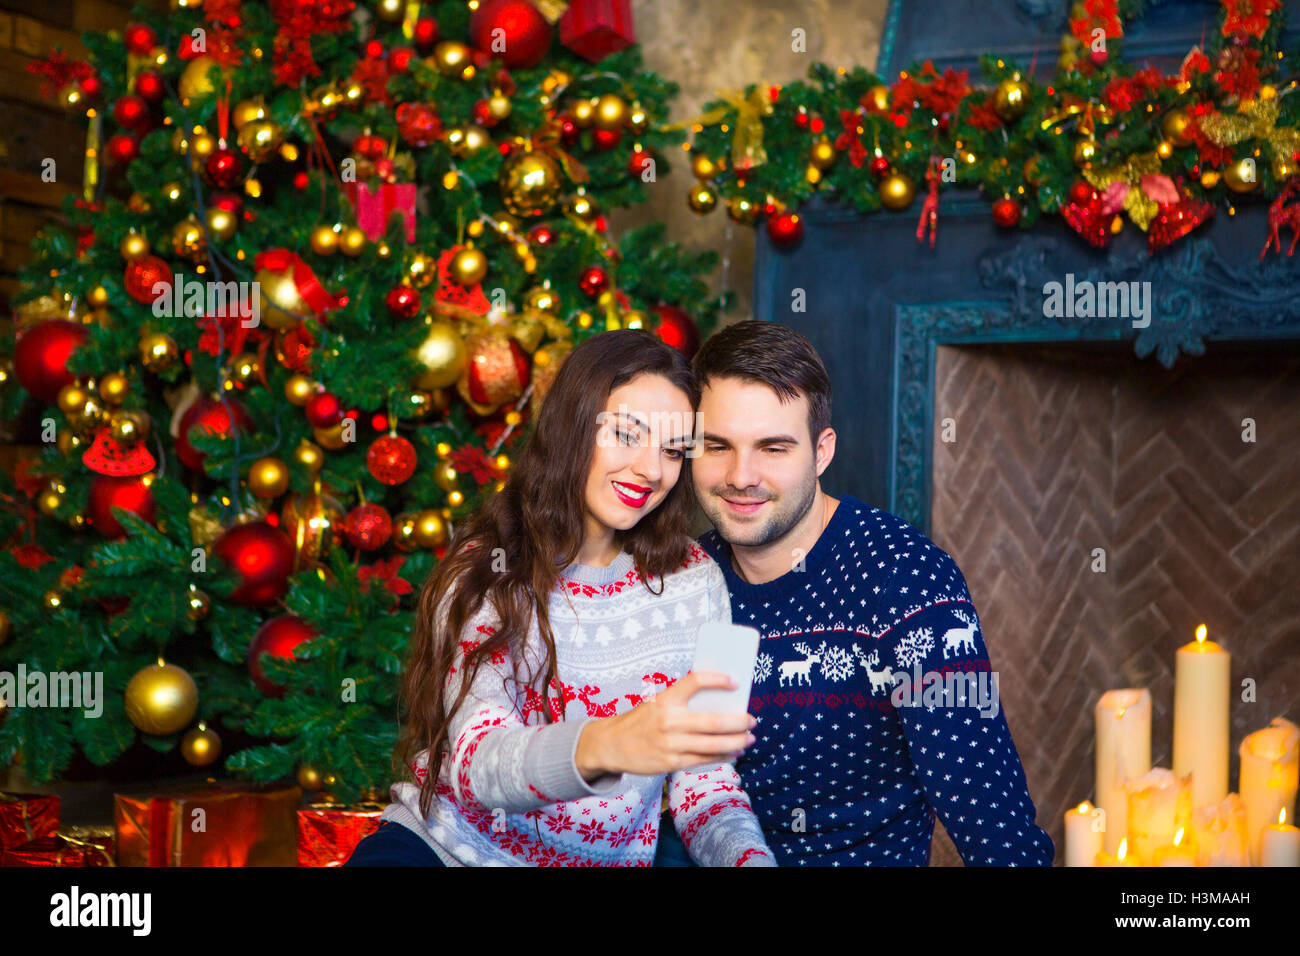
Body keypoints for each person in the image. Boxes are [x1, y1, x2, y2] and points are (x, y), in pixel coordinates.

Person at [346, 329, 774, 867]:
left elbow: (707, 785)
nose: (651, 469)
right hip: (446, 850)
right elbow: (480, 762)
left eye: (672, 449)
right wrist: (610, 743)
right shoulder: (487, 567)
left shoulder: (695, 579)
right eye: (626, 433)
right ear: (574, 427)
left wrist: (748, 860)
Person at [685, 320, 1055, 866]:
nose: (742, 476)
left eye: (773, 448)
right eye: (718, 445)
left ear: (822, 451)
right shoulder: (689, 578)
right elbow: (682, 793)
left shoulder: (903, 578)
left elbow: (992, 820)